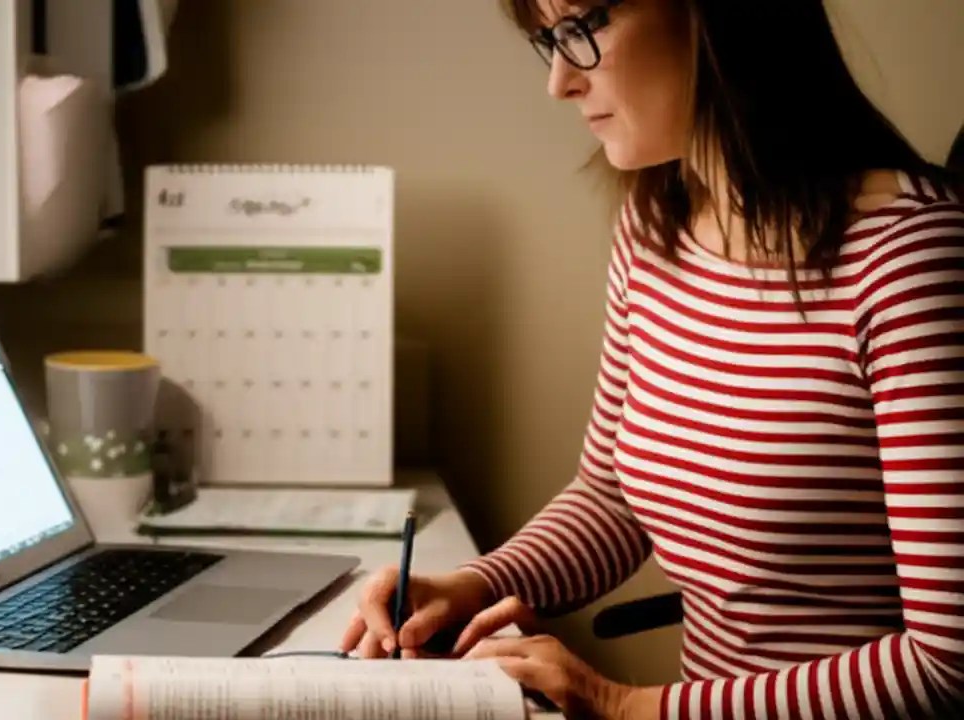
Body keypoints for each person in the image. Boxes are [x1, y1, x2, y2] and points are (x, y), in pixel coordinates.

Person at [339, 1, 964, 718]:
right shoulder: (656, 226)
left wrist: (629, 706)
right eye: (548, 40)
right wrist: (474, 583)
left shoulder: (910, 263)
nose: (561, 81)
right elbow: (611, 499)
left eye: (586, 26)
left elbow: (946, 662)